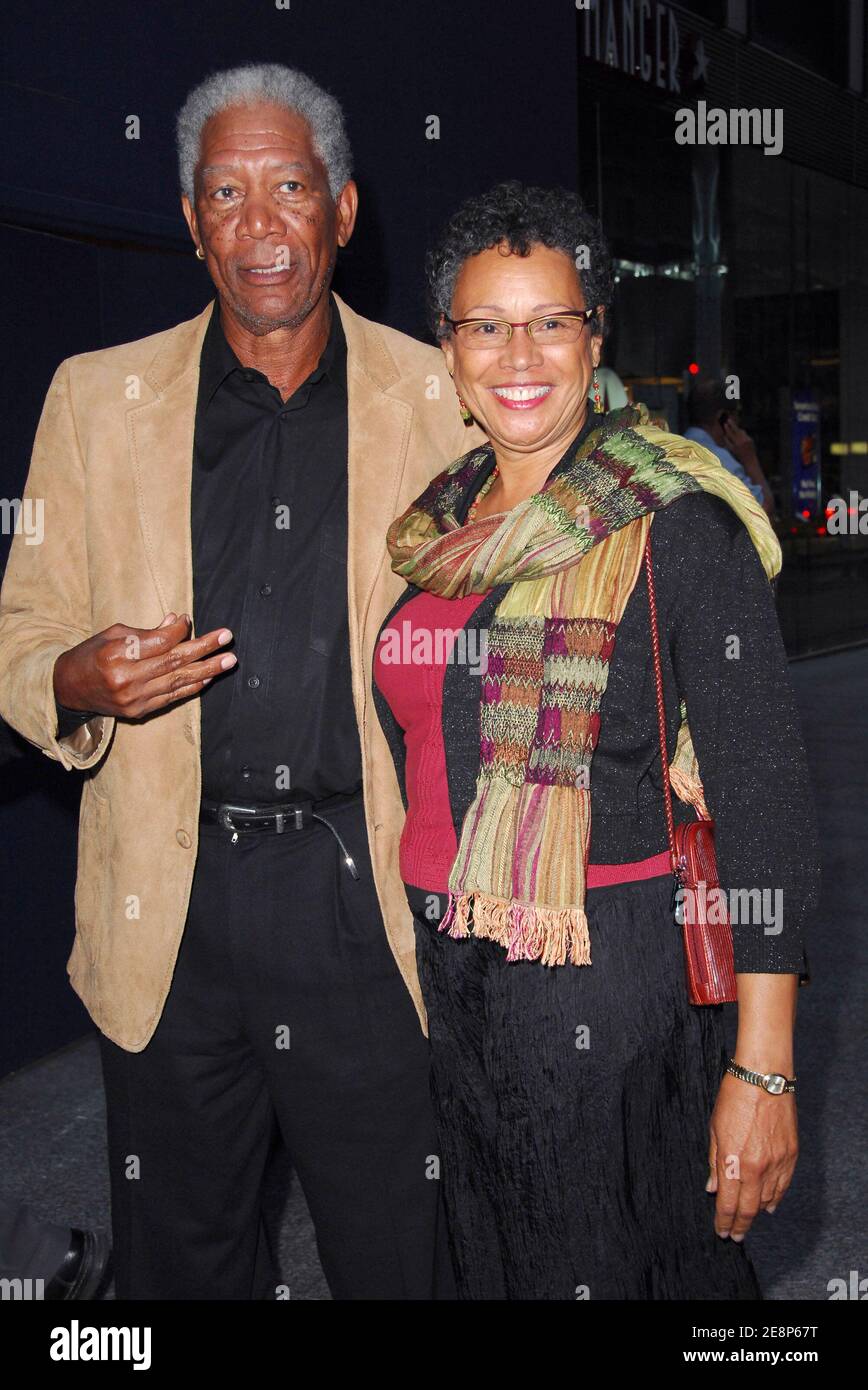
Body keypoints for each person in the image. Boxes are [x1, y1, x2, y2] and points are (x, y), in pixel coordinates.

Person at [0, 63, 485, 1300]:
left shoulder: (445, 400)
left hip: (364, 904)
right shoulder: (94, 400)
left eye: (288, 189)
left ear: (344, 209)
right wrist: (76, 677)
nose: (260, 224)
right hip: (168, 912)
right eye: (226, 193)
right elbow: (21, 633)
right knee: (182, 1268)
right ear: (189, 219)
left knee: (400, 1261)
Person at [371, 181, 822, 1300]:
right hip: (457, 972)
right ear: (448, 346)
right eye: (486, 324)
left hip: (606, 976)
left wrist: (762, 1068)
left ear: (595, 336)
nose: (518, 351)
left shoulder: (679, 521)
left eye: (551, 320)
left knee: (621, 1265)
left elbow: (765, 807)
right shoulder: (441, 522)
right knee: (498, 1262)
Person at [685, 377, 775, 516]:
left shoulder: (677, 446)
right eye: (737, 414)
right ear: (724, 418)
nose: (739, 421)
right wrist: (750, 460)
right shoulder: (719, 460)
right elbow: (763, 513)